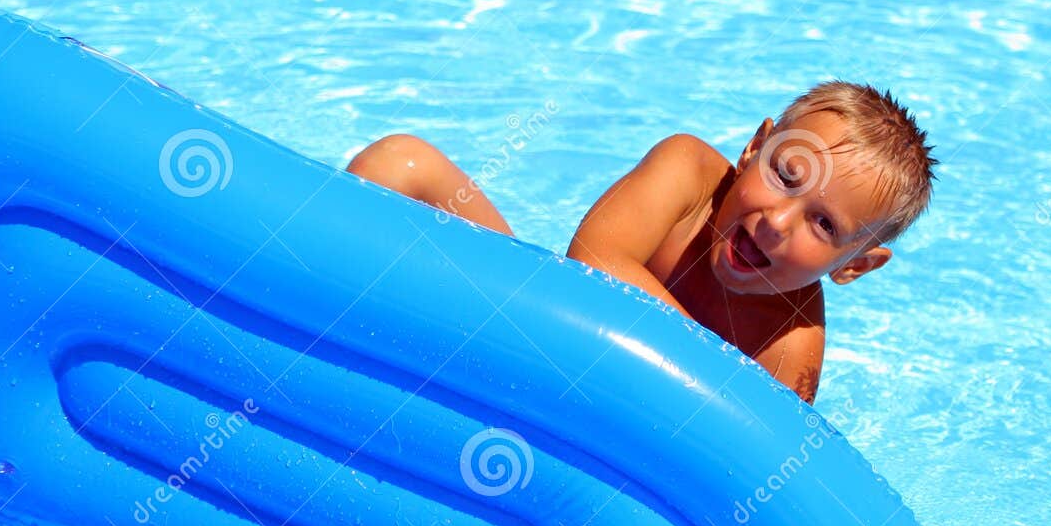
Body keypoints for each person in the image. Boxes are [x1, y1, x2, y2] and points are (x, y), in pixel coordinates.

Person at [345, 81, 936, 404]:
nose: (778, 222)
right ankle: (321, 326)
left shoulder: (790, 353)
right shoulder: (686, 172)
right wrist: (716, 369)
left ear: (856, 265)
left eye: (824, 226)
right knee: (401, 162)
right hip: (528, 330)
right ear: (755, 147)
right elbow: (593, 264)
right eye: (786, 175)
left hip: (583, 430)